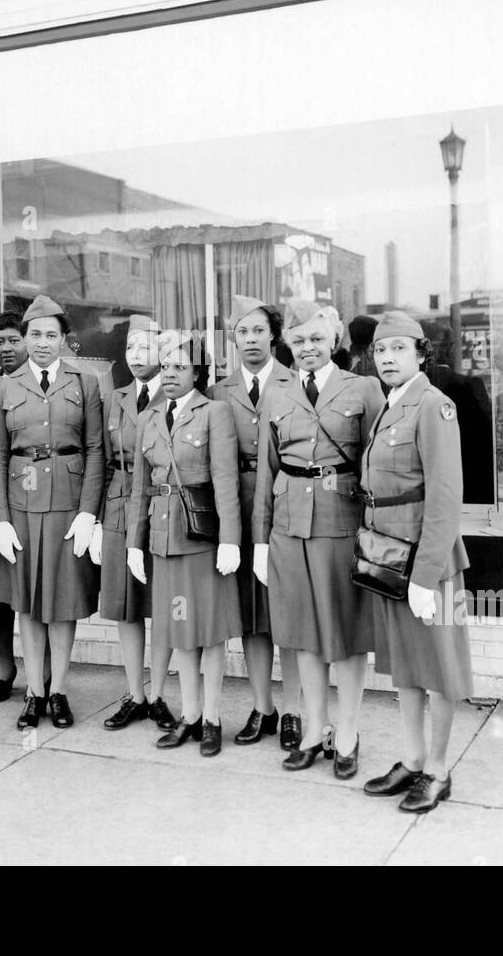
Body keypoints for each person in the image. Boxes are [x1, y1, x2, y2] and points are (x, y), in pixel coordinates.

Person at [252, 300, 385, 776]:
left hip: (342, 523)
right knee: (302, 632)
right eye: (299, 340)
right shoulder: (276, 392)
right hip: (289, 526)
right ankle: (315, 728)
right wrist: (260, 541)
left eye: (316, 339)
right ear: (287, 343)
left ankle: (347, 733)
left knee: (346, 633)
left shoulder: (363, 389)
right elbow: (268, 469)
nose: (308, 348)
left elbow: (377, 467)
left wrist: (377, 529)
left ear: (334, 341)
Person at [361, 311, 473, 814]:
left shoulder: (433, 406)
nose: (387, 358)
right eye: (381, 351)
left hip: (430, 563)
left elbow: (446, 497)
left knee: (441, 668)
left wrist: (426, 577)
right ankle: (411, 757)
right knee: (407, 666)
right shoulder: (390, 406)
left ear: (421, 354)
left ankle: (438, 768)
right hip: (389, 555)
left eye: (399, 349)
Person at [0, 295, 104, 730]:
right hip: (21, 504)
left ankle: (58, 691)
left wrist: (88, 511)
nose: (41, 342)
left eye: (50, 335)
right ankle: (34, 692)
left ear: (63, 340)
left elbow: (96, 450)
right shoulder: (4, 385)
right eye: (35, 334)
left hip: (68, 502)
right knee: (28, 602)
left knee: (63, 601)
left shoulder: (86, 382)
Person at [126, 331, 241, 756]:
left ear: (198, 373)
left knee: (209, 633)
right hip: (164, 541)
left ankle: (211, 717)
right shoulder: (149, 418)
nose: (171, 373)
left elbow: (226, 480)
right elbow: (141, 488)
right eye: (167, 366)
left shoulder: (216, 413)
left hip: (202, 540)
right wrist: (135, 545)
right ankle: (189, 716)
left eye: (181, 367)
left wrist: (231, 540)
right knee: (179, 630)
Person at [208, 295, 303, 750]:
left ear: (273, 335)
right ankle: (264, 707)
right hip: (238, 508)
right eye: (242, 332)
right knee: (250, 612)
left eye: (259, 331)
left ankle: (297, 710)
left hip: (286, 504)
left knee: (287, 611)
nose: (250, 339)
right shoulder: (218, 392)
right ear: (233, 338)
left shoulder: (293, 381)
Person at [91, 314, 176, 732]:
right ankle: (135, 695)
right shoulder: (115, 397)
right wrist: (94, 517)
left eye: (147, 347)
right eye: (131, 348)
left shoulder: (178, 396)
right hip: (120, 506)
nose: (138, 355)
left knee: (160, 604)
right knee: (125, 605)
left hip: (163, 506)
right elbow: (103, 461)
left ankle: (158, 694)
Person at [0, 310, 43, 702]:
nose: (6, 348)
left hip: (33, 497)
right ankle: (5, 664)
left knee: (38, 586)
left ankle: (45, 667)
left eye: (13, 340)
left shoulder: (44, 385)